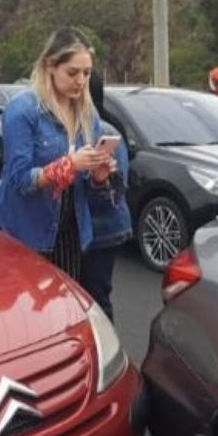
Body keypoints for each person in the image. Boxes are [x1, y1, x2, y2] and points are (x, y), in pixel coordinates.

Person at [0, 28, 112, 280]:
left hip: (69, 232)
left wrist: (98, 176)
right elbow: (20, 180)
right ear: (50, 66)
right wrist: (69, 164)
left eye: (87, 73)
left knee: (63, 308)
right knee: (23, 310)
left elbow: (87, 188)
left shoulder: (89, 114)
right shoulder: (23, 110)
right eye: (73, 72)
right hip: (24, 231)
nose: (80, 81)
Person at [81, 65, 131, 321]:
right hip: (98, 229)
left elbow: (117, 190)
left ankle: (107, 353)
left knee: (96, 300)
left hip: (103, 231)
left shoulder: (105, 134)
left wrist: (96, 180)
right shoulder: (79, 130)